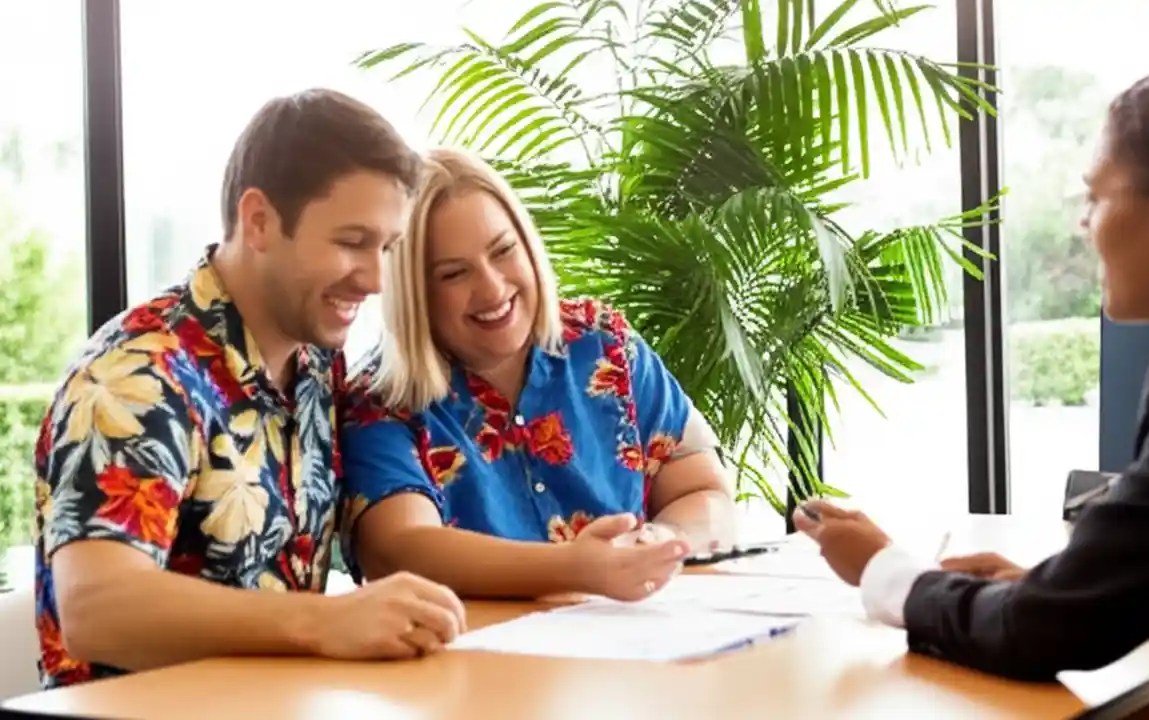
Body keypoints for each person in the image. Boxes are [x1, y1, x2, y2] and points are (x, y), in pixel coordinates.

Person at [792, 53, 1149, 717]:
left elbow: (1050, 632)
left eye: (1095, 197)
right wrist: (1083, 583)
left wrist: (885, 570)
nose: (1084, 227)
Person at [33, 89, 467, 689]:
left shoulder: (316, 364)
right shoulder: (139, 375)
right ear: (258, 220)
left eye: (387, 247)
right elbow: (96, 610)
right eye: (350, 242)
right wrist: (325, 621)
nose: (374, 279)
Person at [339, 147, 738, 601]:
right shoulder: (381, 402)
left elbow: (706, 490)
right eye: (454, 274)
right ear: (414, 296)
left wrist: (654, 543)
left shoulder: (605, 345)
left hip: (633, 654)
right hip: (471, 665)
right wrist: (578, 568)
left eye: (503, 251)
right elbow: (400, 550)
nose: (492, 288)